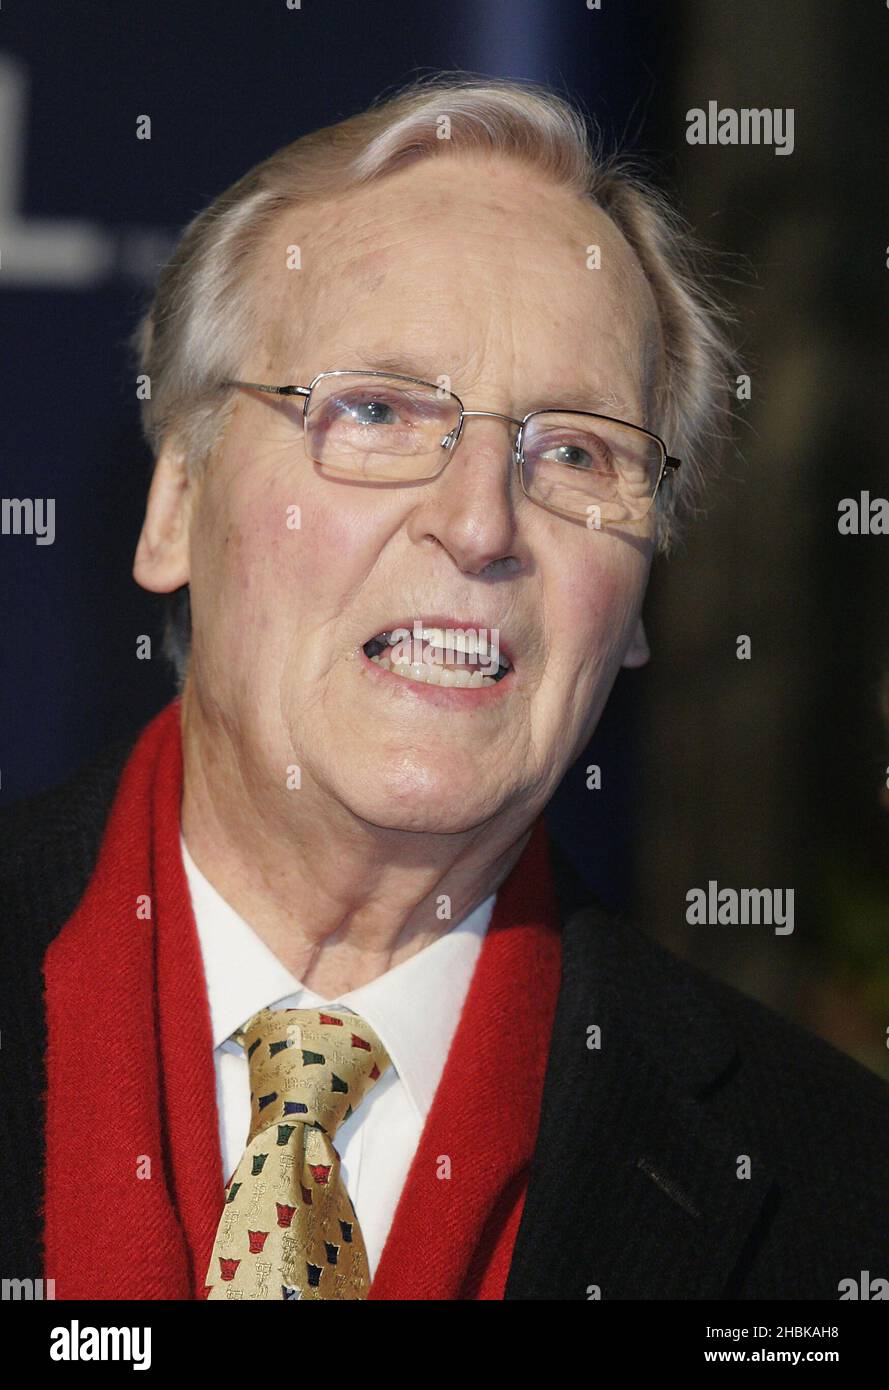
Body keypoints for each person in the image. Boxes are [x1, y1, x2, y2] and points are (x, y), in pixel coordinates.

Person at [2, 72, 887, 1302]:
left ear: (638, 604)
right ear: (177, 503)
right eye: (376, 410)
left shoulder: (838, 1197)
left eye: (576, 451)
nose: (480, 524)